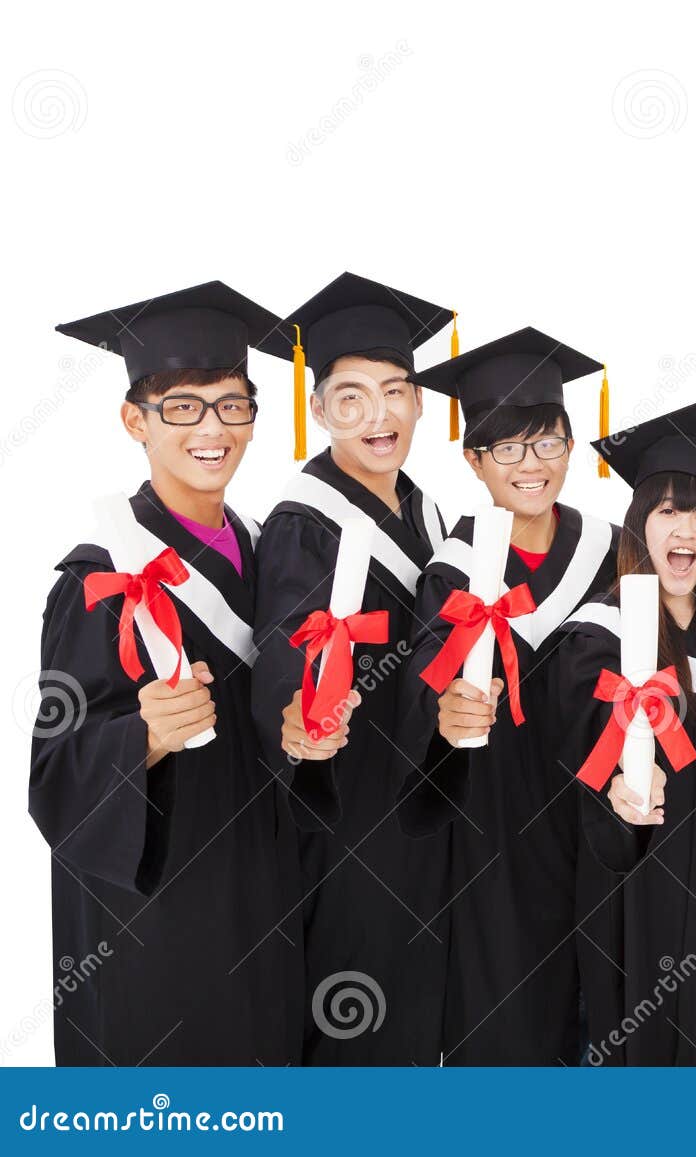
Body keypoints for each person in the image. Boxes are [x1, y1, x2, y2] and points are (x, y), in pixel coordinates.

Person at [31, 282, 300, 1064]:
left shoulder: (272, 554)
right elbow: (54, 775)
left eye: (232, 404)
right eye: (183, 406)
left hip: (267, 904)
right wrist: (139, 738)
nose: (212, 428)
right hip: (157, 931)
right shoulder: (97, 580)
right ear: (135, 421)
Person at [398, 326, 620, 1064]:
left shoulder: (617, 550)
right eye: (508, 448)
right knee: (509, 1030)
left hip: (606, 831)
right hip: (497, 849)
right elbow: (421, 684)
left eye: (549, 441)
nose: (533, 465)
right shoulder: (454, 570)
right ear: (473, 460)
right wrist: (442, 714)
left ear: (570, 444)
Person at [250, 272, 456, 1064]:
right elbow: (282, 646)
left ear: (419, 404)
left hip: (425, 816)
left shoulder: (428, 510)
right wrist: (295, 717)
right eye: (352, 397)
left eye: (396, 391)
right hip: (349, 831)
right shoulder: (304, 522)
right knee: (355, 1027)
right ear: (317, 409)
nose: (379, 415)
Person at [557, 398, 696, 1065]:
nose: (687, 528)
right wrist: (624, 785)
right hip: (639, 912)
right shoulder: (601, 632)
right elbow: (590, 735)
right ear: (639, 522)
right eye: (669, 509)